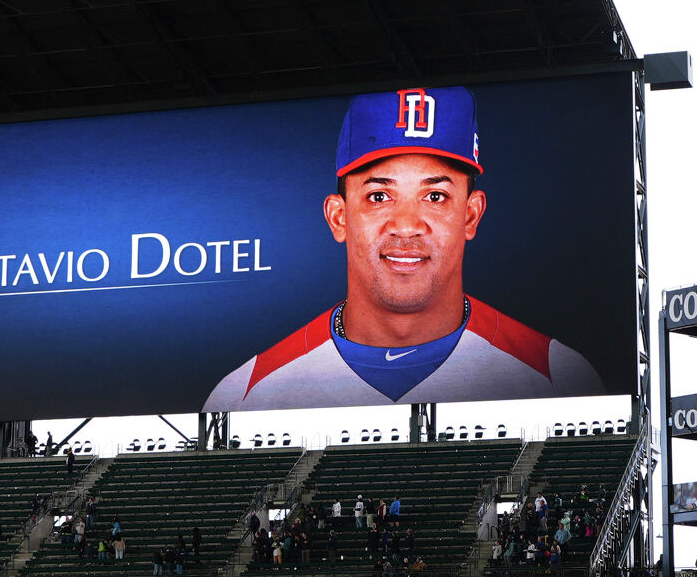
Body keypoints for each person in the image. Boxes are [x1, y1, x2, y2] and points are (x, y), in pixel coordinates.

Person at [201, 86, 603, 410]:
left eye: (435, 197)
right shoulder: (243, 394)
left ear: (471, 215)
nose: (407, 225)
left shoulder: (559, 375)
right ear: (339, 217)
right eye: (379, 197)